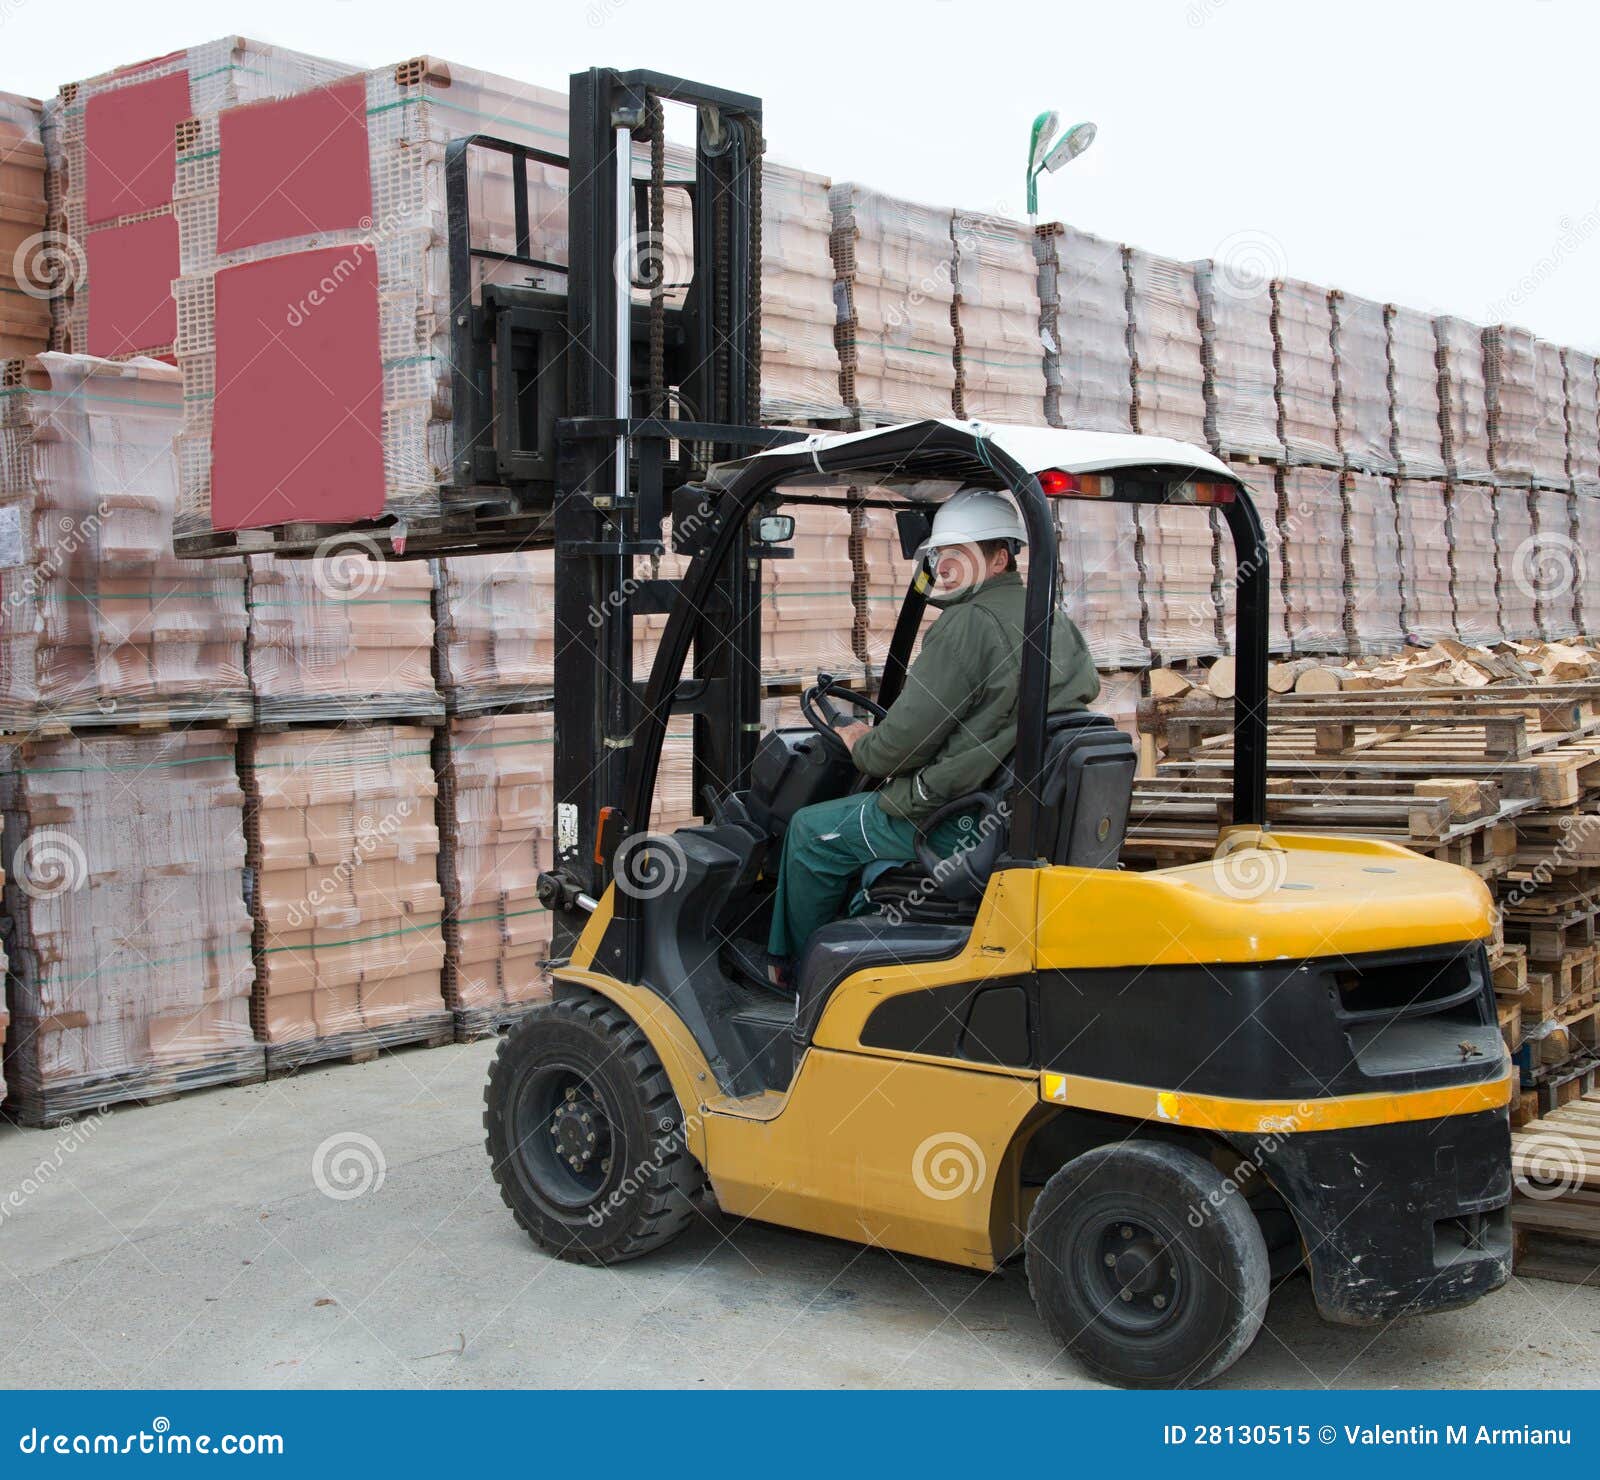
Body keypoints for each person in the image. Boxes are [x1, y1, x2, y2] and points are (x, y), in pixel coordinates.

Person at [763, 487, 1099, 983]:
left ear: (1000, 556)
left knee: (811, 833)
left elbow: (897, 748)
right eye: (940, 554)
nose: (942, 566)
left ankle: (797, 977)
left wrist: (862, 743)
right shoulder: (1049, 617)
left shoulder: (969, 625)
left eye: (956, 554)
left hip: (951, 818)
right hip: (1004, 808)